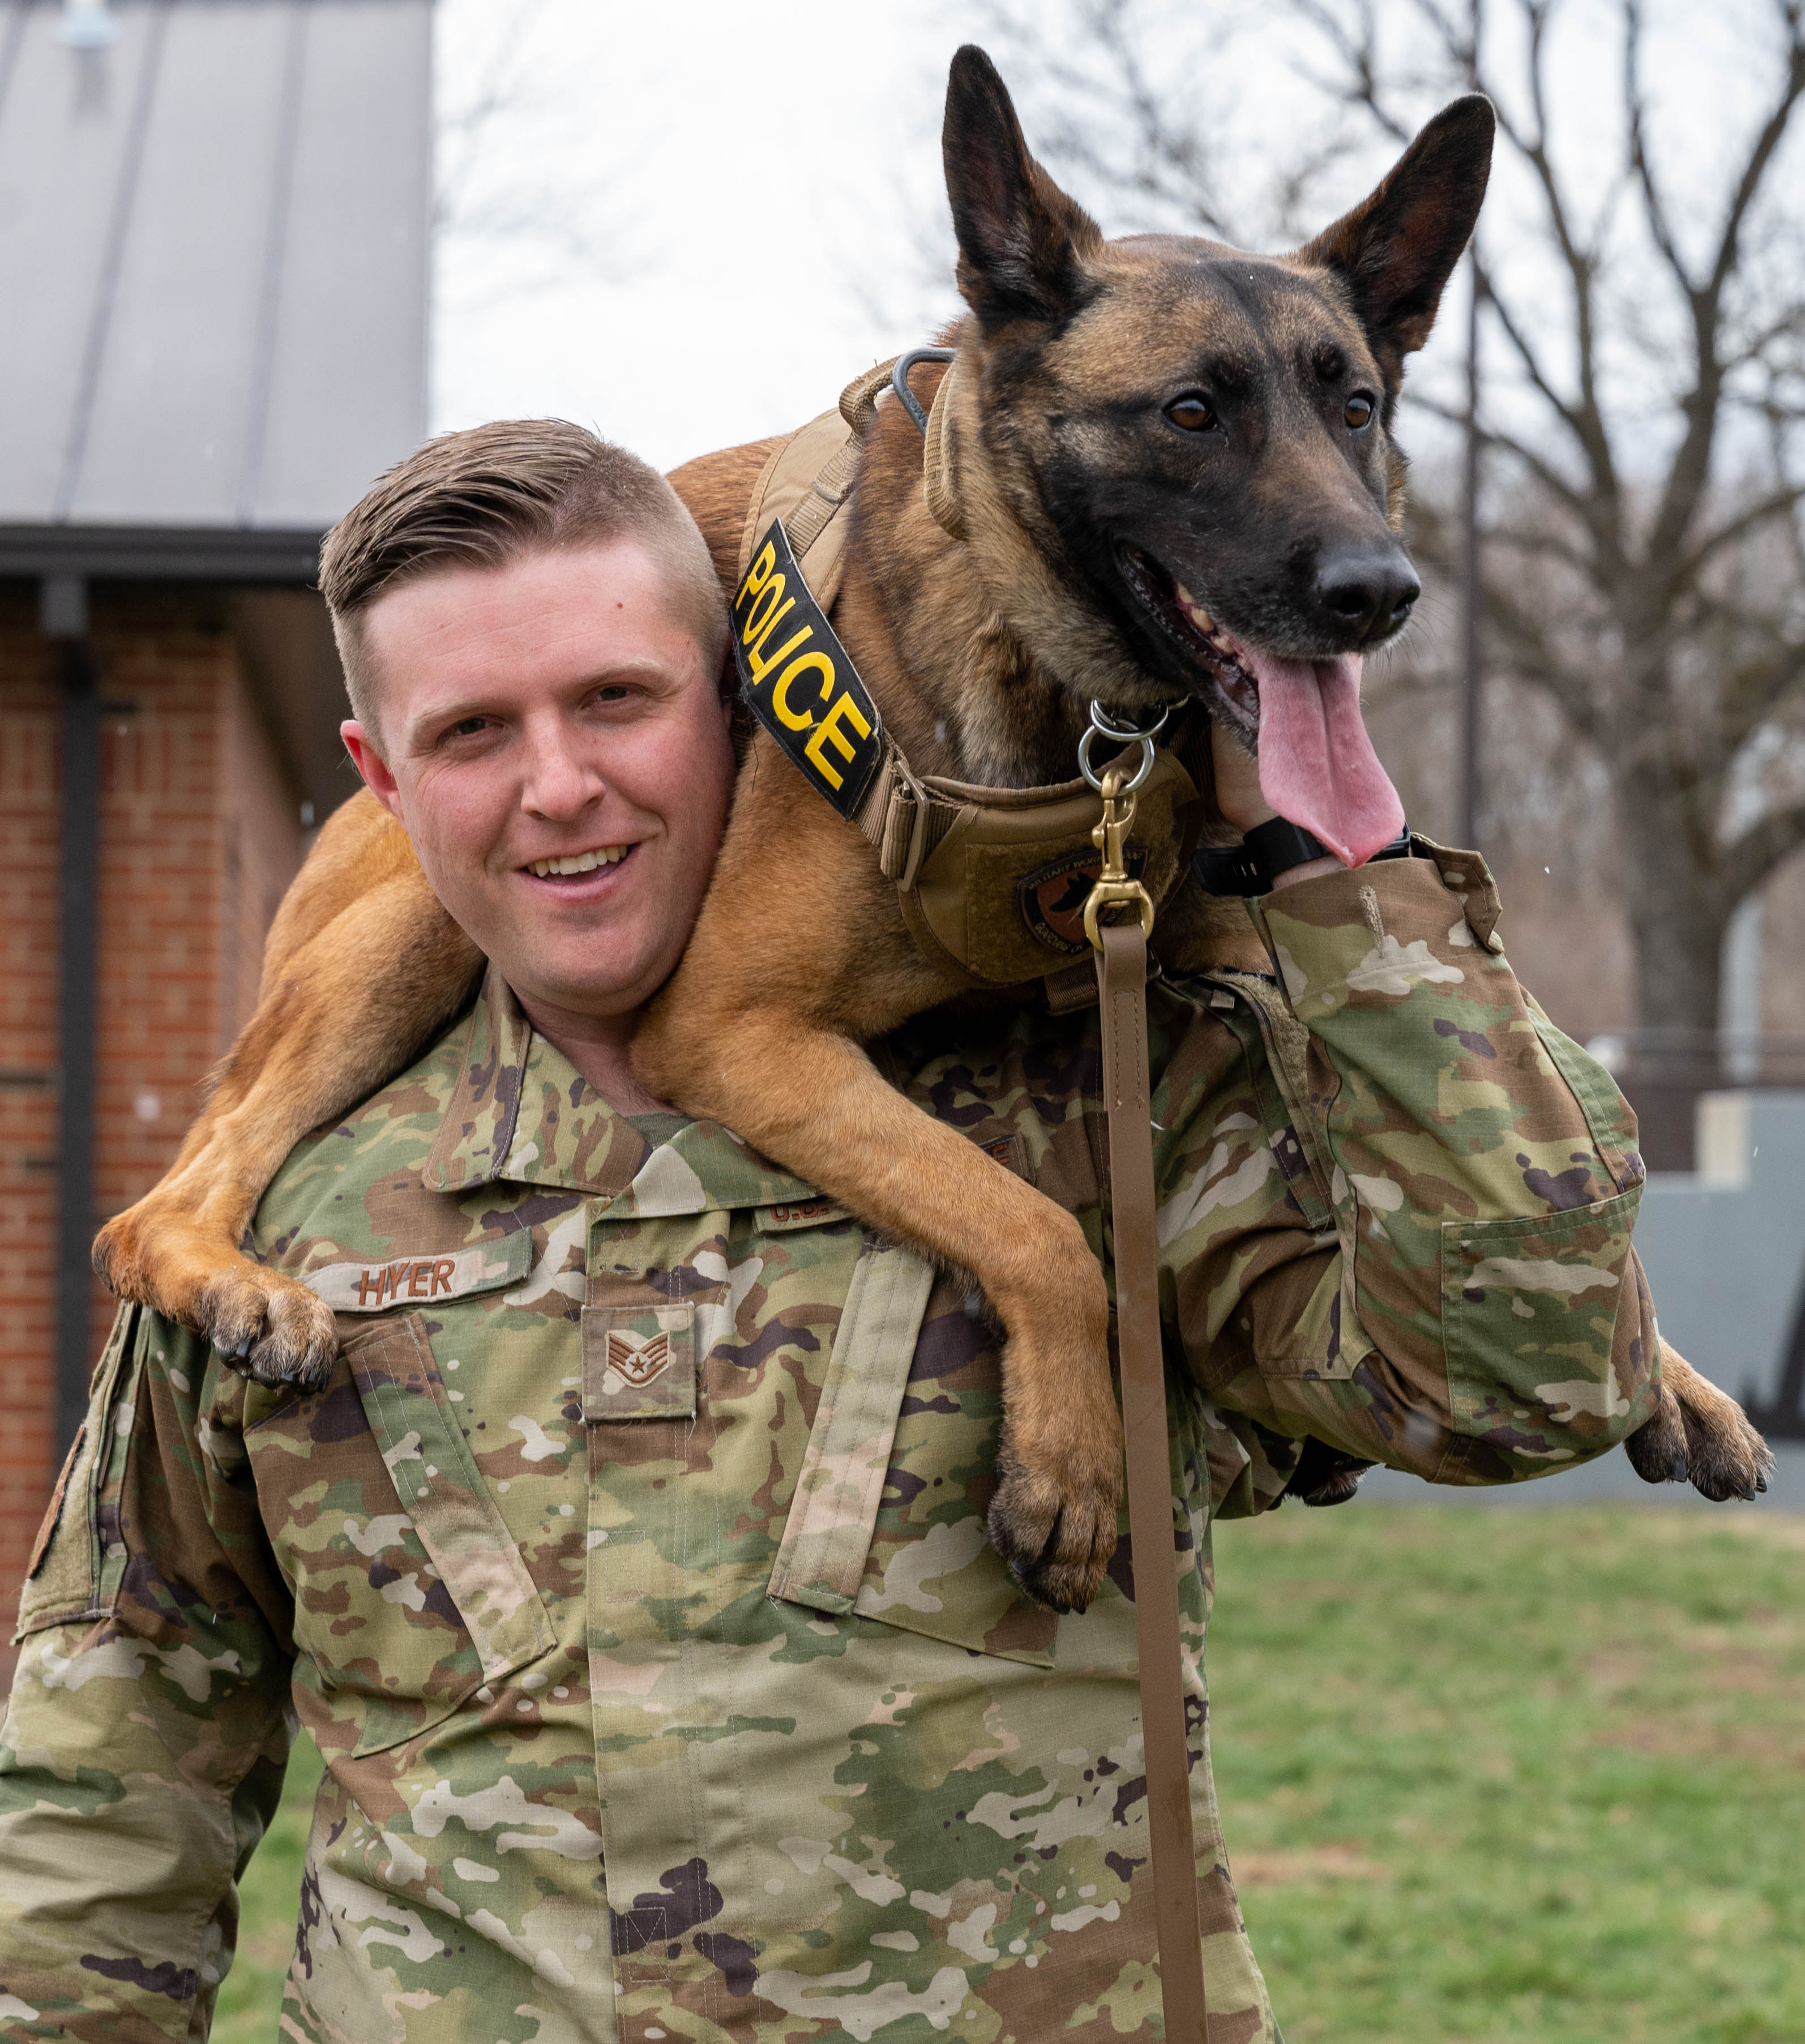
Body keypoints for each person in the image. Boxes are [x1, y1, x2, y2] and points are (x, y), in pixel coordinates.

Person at [0, 421, 1665, 2043]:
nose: (559, 787)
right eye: (472, 733)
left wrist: (1332, 858)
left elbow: (1514, 1384)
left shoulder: (1105, 1101)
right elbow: (110, 1744)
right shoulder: (295, 1205)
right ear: (383, 779)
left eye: (617, 700)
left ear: (745, 700)